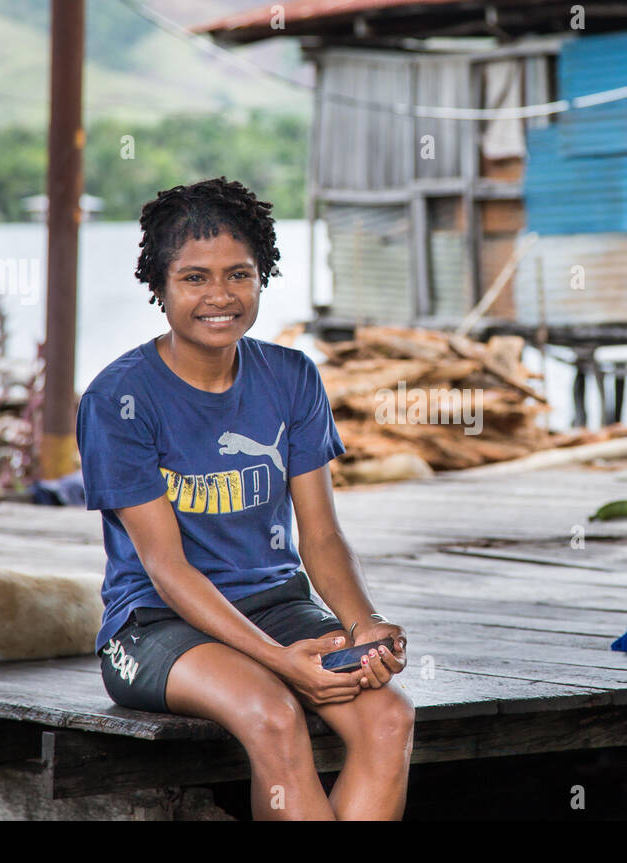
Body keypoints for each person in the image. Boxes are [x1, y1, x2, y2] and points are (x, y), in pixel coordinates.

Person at [76, 177, 414, 820]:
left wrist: (362, 626)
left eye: (239, 274)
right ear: (160, 286)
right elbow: (167, 569)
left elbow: (319, 537)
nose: (220, 296)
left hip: (280, 607)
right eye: (194, 278)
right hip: (153, 627)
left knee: (389, 718)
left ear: (263, 277)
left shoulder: (291, 378)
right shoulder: (118, 400)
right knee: (274, 713)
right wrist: (281, 661)